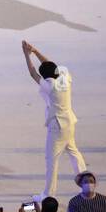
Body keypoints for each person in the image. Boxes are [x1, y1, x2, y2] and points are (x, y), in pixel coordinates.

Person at [21, 40, 86, 198]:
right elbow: (50, 64)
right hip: (70, 122)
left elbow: (32, 73)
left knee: (52, 161)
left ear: (46, 77)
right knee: (74, 153)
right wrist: (35, 51)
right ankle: (86, 184)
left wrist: (26, 54)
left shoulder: (49, 86)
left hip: (57, 127)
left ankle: (48, 195)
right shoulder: (65, 77)